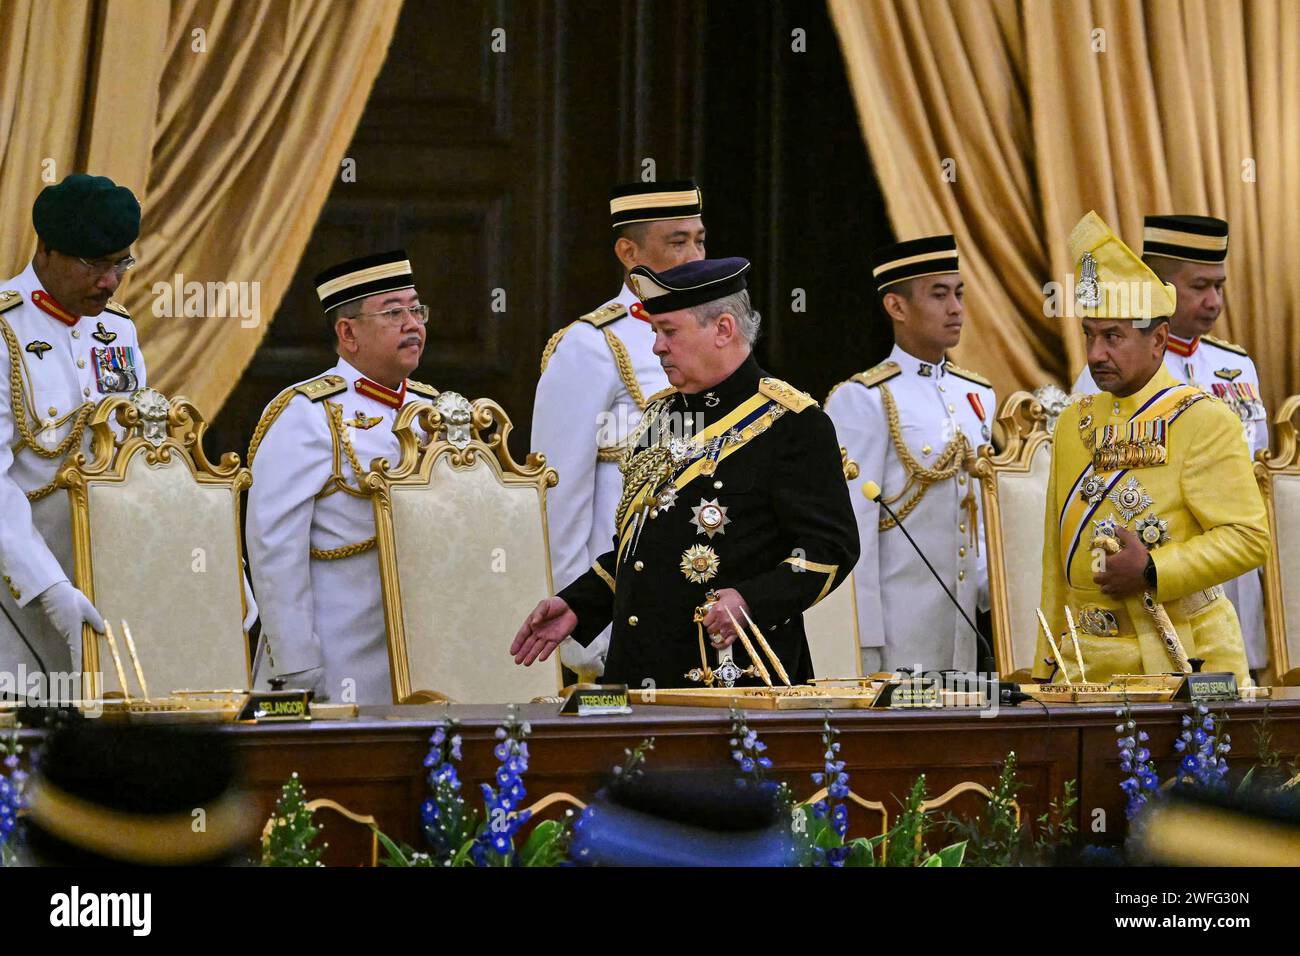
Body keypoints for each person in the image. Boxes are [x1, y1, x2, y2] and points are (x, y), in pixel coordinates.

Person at [512, 257, 859, 689]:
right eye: (655, 331)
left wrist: (752, 599)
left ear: (723, 329)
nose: (656, 346)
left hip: (732, 679)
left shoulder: (791, 422)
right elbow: (637, 552)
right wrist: (579, 605)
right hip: (638, 673)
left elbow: (831, 548)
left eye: (669, 331)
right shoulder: (660, 415)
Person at [1035, 211, 1269, 685]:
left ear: (1158, 339)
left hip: (1183, 658)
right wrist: (1045, 664)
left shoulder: (1205, 420)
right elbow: (1053, 562)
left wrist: (1153, 568)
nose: (1096, 353)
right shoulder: (1071, 425)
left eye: (1113, 337)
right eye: (1090, 335)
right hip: (1086, 663)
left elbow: (1250, 538)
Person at [532, 179, 706, 680]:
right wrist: (581, 623)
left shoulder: (715, 334)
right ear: (629, 253)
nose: (695, 254)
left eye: (699, 239)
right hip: (619, 606)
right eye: (678, 242)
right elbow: (558, 496)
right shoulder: (591, 345)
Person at [245, 250, 437, 704]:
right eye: (393, 312)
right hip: (337, 658)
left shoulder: (436, 410)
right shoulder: (306, 413)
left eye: (416, 309)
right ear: (347, 333)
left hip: (426, 655)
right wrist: (296, 662)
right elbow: (274, 548)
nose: (412, 323)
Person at [825, 236, 995, 673]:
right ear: (896, 307)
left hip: (964, 627)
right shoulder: (864, 398)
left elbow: (977, 515)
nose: (955, 308)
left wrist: (996, 595)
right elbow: (855, 527)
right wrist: (862, 642)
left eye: (959, 293)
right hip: (899, 633)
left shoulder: (977, 394)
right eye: (939, 295)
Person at [0, 174, 145, 689]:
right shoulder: (4, 330)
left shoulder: (119, 330)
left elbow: (138, 455)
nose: (109, 281)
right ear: (47, 249)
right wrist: (48, 587)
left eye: (120, 263)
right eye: (94, 264)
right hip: (17, 589)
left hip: (109, 583)